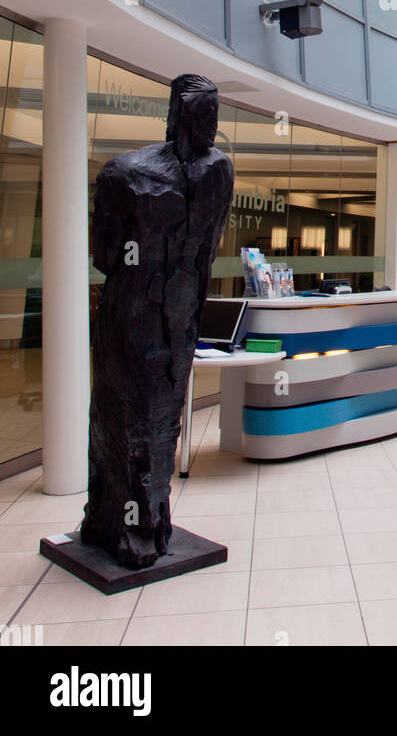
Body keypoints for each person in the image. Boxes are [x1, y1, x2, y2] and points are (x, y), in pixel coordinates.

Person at [81, 75, 234, 569]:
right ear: (176, 114)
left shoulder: (218, 173)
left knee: (161, 418)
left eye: (211, 112)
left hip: (180, 314)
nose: (207, 124)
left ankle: (147, 521)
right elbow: (106, 255)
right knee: (125, 415)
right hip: (132, 313)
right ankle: (120, 524)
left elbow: (208, 248)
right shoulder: (124, 174)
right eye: (199, 112)